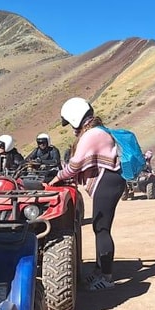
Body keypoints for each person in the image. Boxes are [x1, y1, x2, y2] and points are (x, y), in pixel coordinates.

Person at [49, 97, 125, 290]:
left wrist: (57, 178)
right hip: (110, 181)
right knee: (99, 227)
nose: (71, 129)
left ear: (76, 118)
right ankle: (100, 270)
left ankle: (106, 278)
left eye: (70, 123)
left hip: (107, 182)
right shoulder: (96, 132)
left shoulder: (92, 135)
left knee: (102, 228)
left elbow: (75, 164)